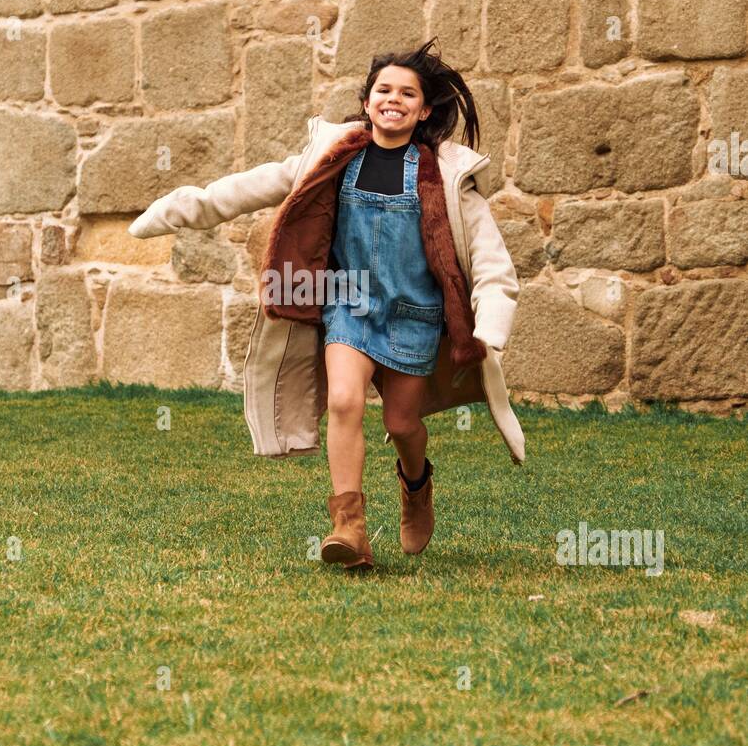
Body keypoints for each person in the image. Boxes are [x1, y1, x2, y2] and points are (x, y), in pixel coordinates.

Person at [129, 38, 525, 571]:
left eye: (407, 93)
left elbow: (490, 259)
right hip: (350, 307)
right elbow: (249, 187)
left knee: (405, 423)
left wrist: (492, 323)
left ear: (424, 109)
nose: (394, 98)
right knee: (344, 401)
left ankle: (416, 485)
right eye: (383, 89)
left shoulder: (445, 179)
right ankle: (349, 528)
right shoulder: (332, 159)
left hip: (414, 315)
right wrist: (182, 207)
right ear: (366, 102)